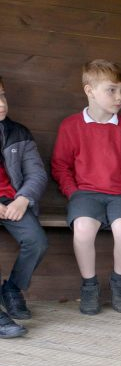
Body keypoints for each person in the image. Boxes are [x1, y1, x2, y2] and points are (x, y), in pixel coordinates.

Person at [50, 59, 121, 315]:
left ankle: (119, 283)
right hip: (86, 194)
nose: (119, 97)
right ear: (89, 91)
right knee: (83, 230)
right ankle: (89, 286)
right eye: (111, 90)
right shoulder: (71, 126)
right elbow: (60, 166)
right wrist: (73, 193)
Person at [0, 75, 50, 338]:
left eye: (3, 96)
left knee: (37, 241)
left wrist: (23, 199)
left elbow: (37, 174)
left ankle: (12, 289)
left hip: (13, 201)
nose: (1, 104)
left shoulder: (18, 132)